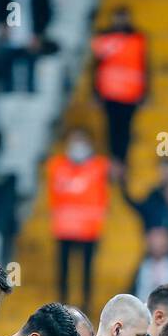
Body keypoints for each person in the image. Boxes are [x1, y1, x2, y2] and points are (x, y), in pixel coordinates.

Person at [48, 128, 110, 311]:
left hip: (89, 229)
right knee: (63, 270)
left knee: (87, 270)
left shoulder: (99, 166)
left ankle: (85, 305)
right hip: (64, 227)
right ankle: (62, 304)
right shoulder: (57, 165)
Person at [90, 6, 148, 167]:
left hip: (130, 91)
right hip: (109, 90)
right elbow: (96, 65)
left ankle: (122, 161)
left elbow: (144, 65)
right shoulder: (104, 37)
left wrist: (145, 92)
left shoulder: (138, 38)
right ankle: (113, 161)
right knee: (111, 128)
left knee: (126, 128)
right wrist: (94, 91)